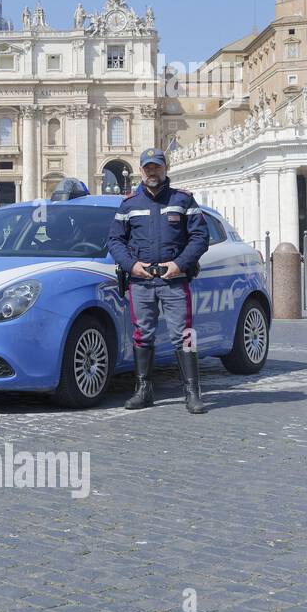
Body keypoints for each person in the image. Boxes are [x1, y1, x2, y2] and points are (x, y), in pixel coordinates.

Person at [106, 148, 210, 414]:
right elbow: (115, 240)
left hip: (174, 279)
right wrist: (132, 266)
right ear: (141, 171)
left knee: (184, 335)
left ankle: (192, 391)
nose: (152, 172)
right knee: (143, 335)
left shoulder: (183, 200)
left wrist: (179, 264)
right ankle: (143, 389)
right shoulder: (129, 204)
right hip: (141, 281)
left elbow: (200, 237)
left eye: (157, 167)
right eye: (148, 168)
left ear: (166, 168)